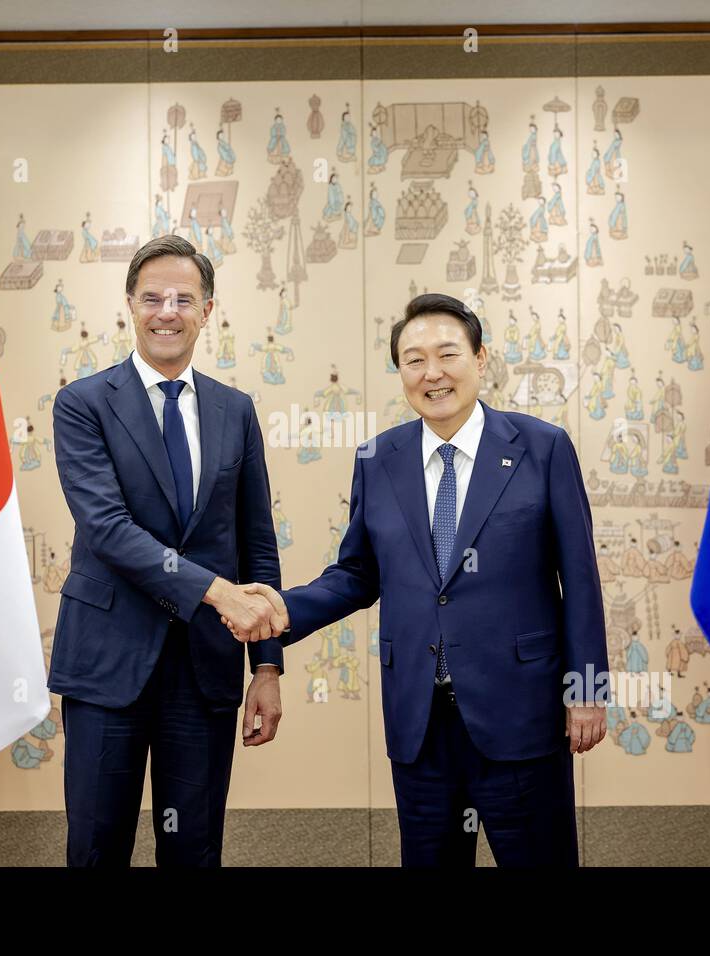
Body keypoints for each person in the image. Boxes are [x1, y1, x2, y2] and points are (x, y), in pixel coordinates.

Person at [227, 293, 608, 867]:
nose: (432, 373)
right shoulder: (378, 458)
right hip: (420, 725)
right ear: (400, 371)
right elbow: (357, 574)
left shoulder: (541, 447)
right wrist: (284, 609)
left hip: (521, 716)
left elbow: (579, 579)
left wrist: (587, 691)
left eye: (448, 354)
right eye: (413, 360)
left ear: (481, 360)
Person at [50, 235, 284, 867]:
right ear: (130, 304)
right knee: (98, 848)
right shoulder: (84, 404)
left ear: (208, 310)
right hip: (107, 663)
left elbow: (256, 545)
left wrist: (266, 666)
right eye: (152, 297)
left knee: (194, 852)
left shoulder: (236, 411)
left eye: (185, 298)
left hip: (204, 670)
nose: (167, 311)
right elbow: (107, 528)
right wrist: (216, 592)